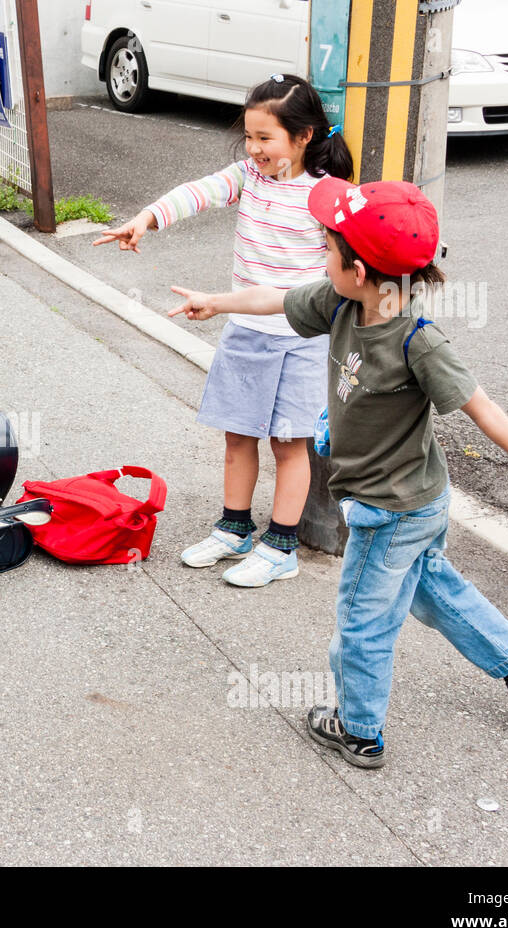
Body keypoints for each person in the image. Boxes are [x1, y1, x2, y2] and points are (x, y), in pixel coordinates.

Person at [169, 178, 508, 767]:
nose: (320, 254)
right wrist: (216, 301)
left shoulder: (419, 342)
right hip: (412, 501)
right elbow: (274, 298)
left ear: (358, 269)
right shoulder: (341, 303)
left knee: (361, 623)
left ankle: (358, 729)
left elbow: (479, 403)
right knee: (431, 590)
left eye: (327, 248)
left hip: (393, 509)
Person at [96, 74, 353, 588]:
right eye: (250, 137)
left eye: (266, 139)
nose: (254, 149)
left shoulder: (328, 195)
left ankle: (281, 546)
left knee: (288, 445)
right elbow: (198, 193)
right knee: (238, 435)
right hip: (245, 329)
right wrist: (147, 218)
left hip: (303, 338)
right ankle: (234, 528)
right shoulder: (249, 177)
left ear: (304, 137)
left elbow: (345, 265)